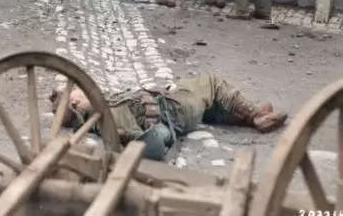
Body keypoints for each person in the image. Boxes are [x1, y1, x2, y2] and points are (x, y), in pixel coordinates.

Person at [50, 72, 288, 161]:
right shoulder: (106, 114)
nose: (79, 88)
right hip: (174, 112)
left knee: (205, 101)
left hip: (170, 105)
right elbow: (145, 142)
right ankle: (256, 116)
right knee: (210, 83)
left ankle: (247, 115)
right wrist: (126, 135)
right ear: (74, 102)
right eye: (74, 91)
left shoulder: (101, 110)